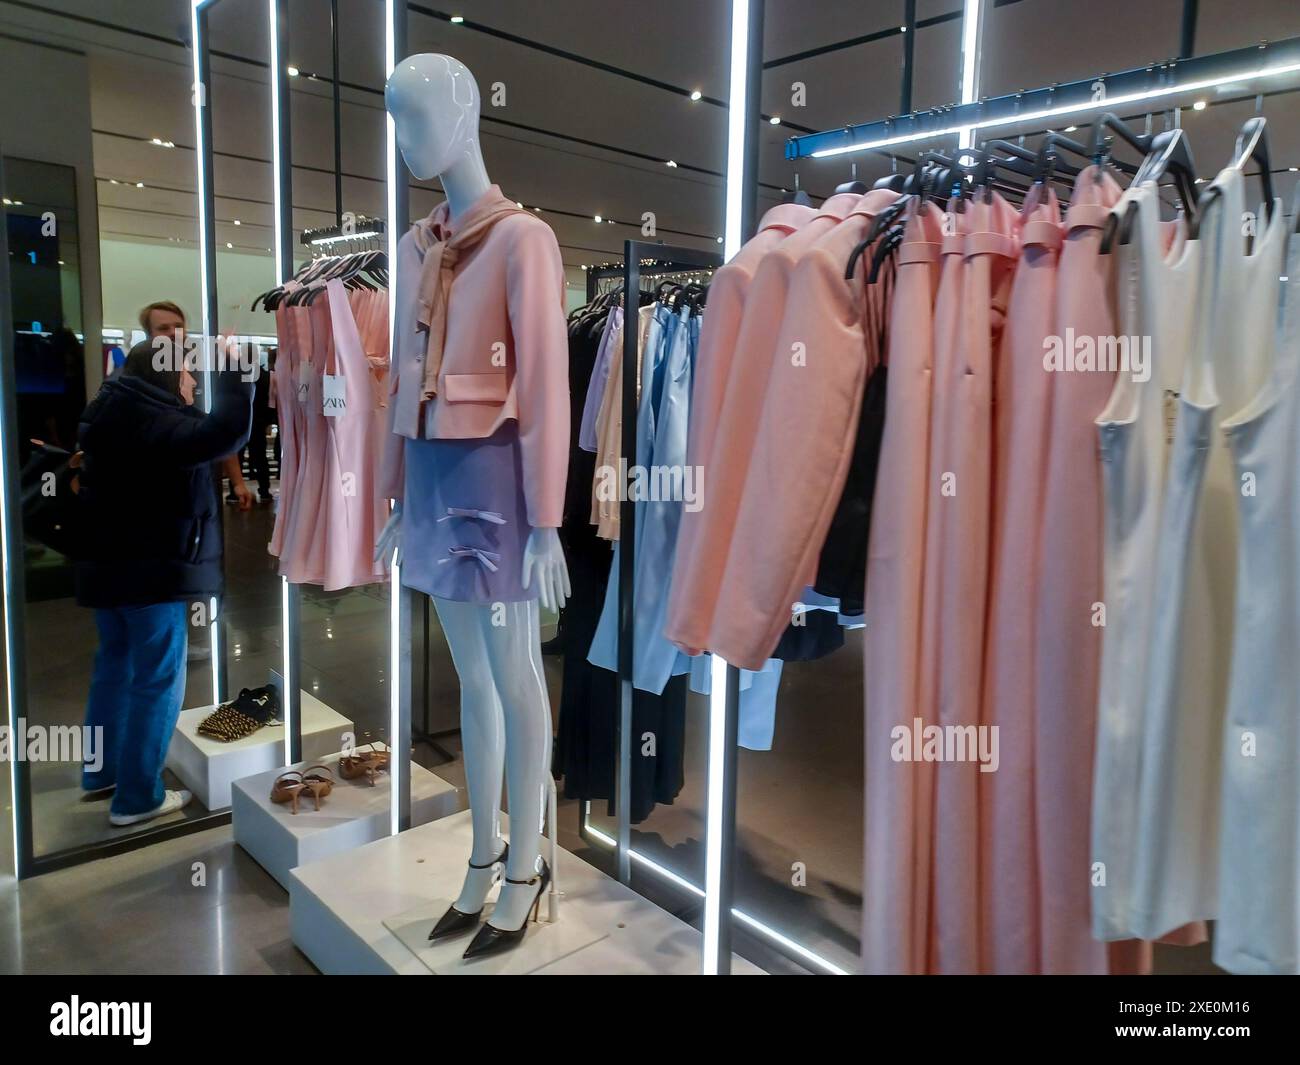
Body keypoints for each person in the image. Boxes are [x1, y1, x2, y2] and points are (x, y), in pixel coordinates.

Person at [75, 338, 253, 825]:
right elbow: (226, 434)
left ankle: (102, 772)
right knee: (157, 679)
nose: (193, 383)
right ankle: (137, 798)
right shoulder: (157, 421)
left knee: (113, 667)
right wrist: (232, 371)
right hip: (151, 574)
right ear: (166, 375)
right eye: (188, 374)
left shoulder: (111, 409)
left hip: (108, 568)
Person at [137, 300, 253, 512]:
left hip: (198, 486)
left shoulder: (197, 374)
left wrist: (237, 482)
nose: (173, 333)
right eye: (163, 328)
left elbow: (215, 427)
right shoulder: (138, 378)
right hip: (155, 492)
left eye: (178, 327)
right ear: (148, 335)